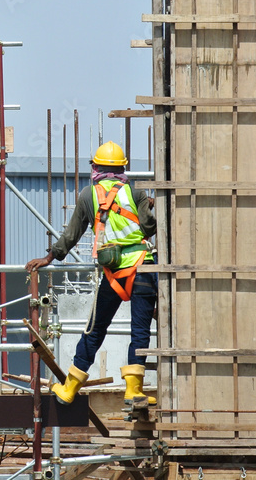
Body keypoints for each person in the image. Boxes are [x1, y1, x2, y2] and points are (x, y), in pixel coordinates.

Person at [26, 141, 158, 407]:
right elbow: (149, 227)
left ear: (95, 167)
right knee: (140, 331)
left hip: (114, 274)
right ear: (123, 167)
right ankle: (133, 391)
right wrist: (148, 205)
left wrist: (49, 258)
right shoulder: (135, 190)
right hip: (144, 267)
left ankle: (70, 388)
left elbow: (72, 234)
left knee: (95, 330)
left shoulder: (88, 195)